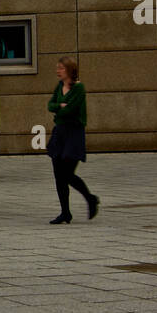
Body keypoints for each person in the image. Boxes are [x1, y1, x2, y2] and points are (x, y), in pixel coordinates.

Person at [46, 56, 99, 224]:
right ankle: (65, 212)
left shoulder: (78, 88)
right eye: (57, 68)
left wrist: (60, 108)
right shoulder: (59, 86)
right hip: (59, 133)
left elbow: (71, 110)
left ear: (69, 70)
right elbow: (50, 105)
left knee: (67, 173)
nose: (58, 71)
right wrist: (59, 107)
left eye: (61, 68)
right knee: (58, 174)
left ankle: (90, 198)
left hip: (73, 133)